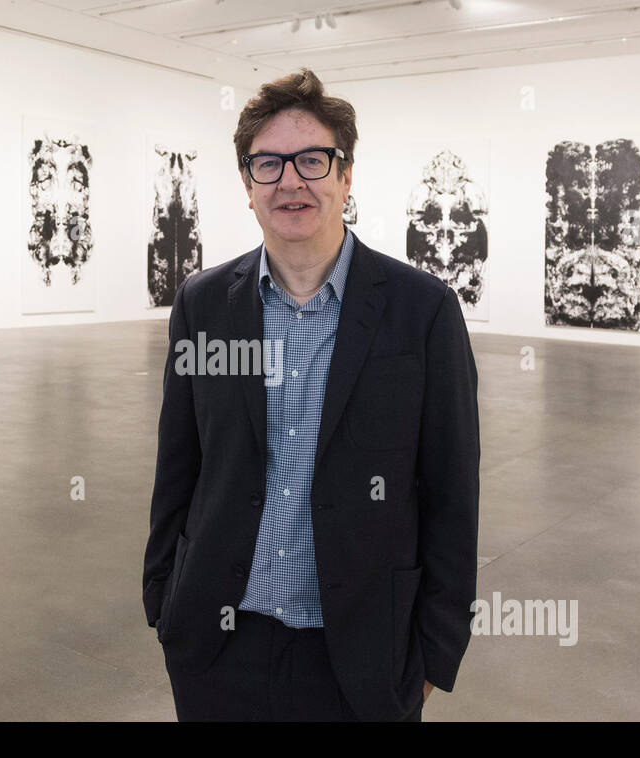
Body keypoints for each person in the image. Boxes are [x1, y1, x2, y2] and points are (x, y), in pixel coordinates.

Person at [141, 67, 480, 722]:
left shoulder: (423, 311)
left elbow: (452, 493)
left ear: (345, 176)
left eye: (311, 160)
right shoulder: (203, 304)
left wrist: (437, 653)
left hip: (361, 659)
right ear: (246, 185)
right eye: (267, 164)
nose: (290, 180)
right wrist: (164, 600)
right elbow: (178, 467)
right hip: (217, 646)